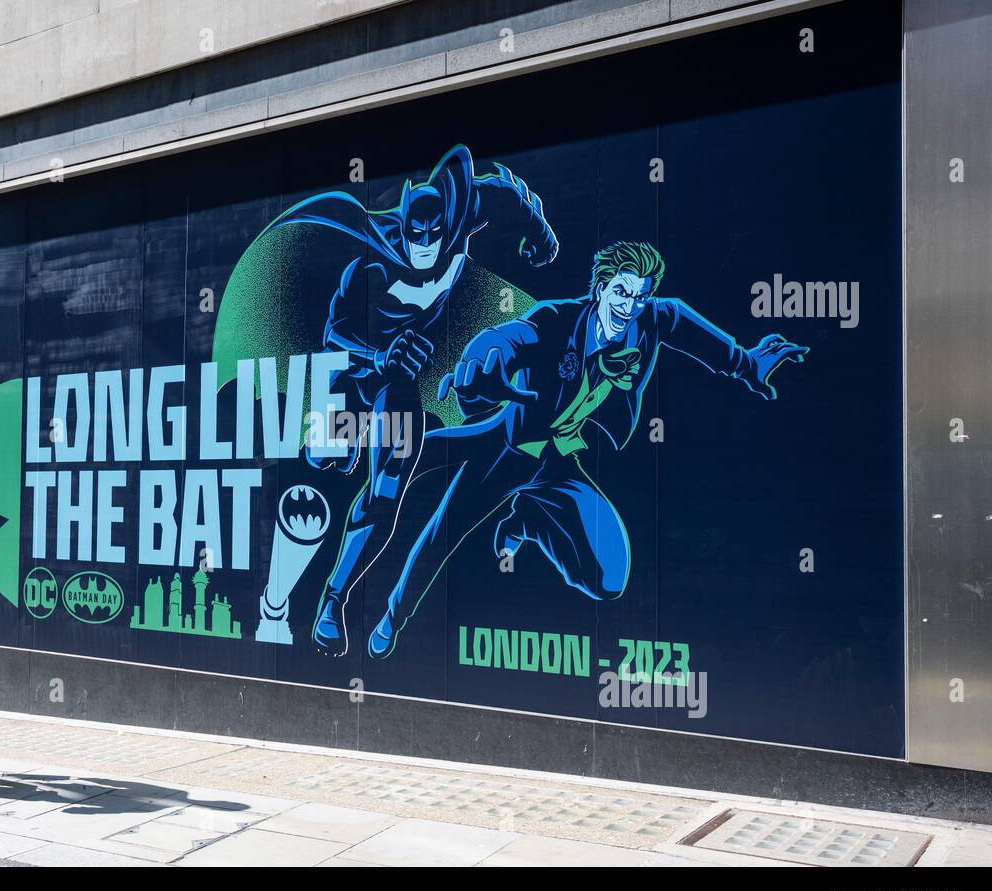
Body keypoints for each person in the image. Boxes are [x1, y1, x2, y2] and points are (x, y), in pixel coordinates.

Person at [367, 240, 809, 659]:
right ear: (600, 289)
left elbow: (688, 327)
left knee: (610, 579)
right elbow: (510, 337)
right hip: (508, 449)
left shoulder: (652, 319)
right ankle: (392, 618)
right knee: (442, 525)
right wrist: (482, 358)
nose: (628, 306)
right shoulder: (557, 321)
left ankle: (528, 520)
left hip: (560, 461)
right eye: (620, 291)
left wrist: (748, 364)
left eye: (638, 296)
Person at [263, 144, 559, 655]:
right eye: (413, 236)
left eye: (433, 236)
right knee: (325, 456)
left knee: (385, 493)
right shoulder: (371, 264)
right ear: (400, 228)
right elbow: (334, 334)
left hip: (396, 386)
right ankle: (333, 444)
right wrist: (379, 356)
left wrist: (540, 232)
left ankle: (333, 600)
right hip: (357, 371)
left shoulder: (467, 212)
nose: (423, 246)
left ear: (449, 225)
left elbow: (509, 191)